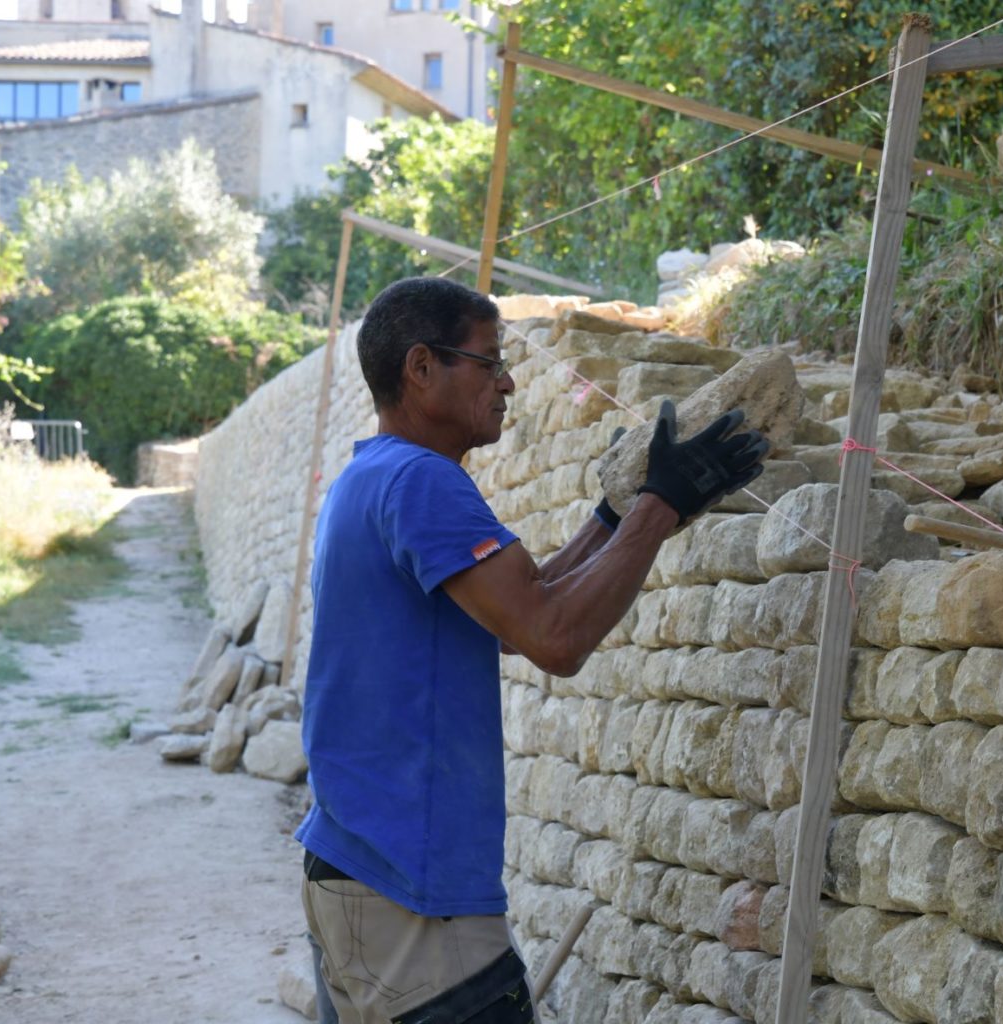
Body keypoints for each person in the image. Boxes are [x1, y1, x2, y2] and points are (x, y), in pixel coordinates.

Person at [294, 276, 770, 1024]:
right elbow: (554, 638)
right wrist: (663, 504)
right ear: (421, 369)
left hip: (359, 870)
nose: (508, 382)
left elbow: (519, 614)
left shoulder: (372, 478)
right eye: (489, 361)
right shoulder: (423, 483)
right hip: (414, 896)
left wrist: (618, 517)